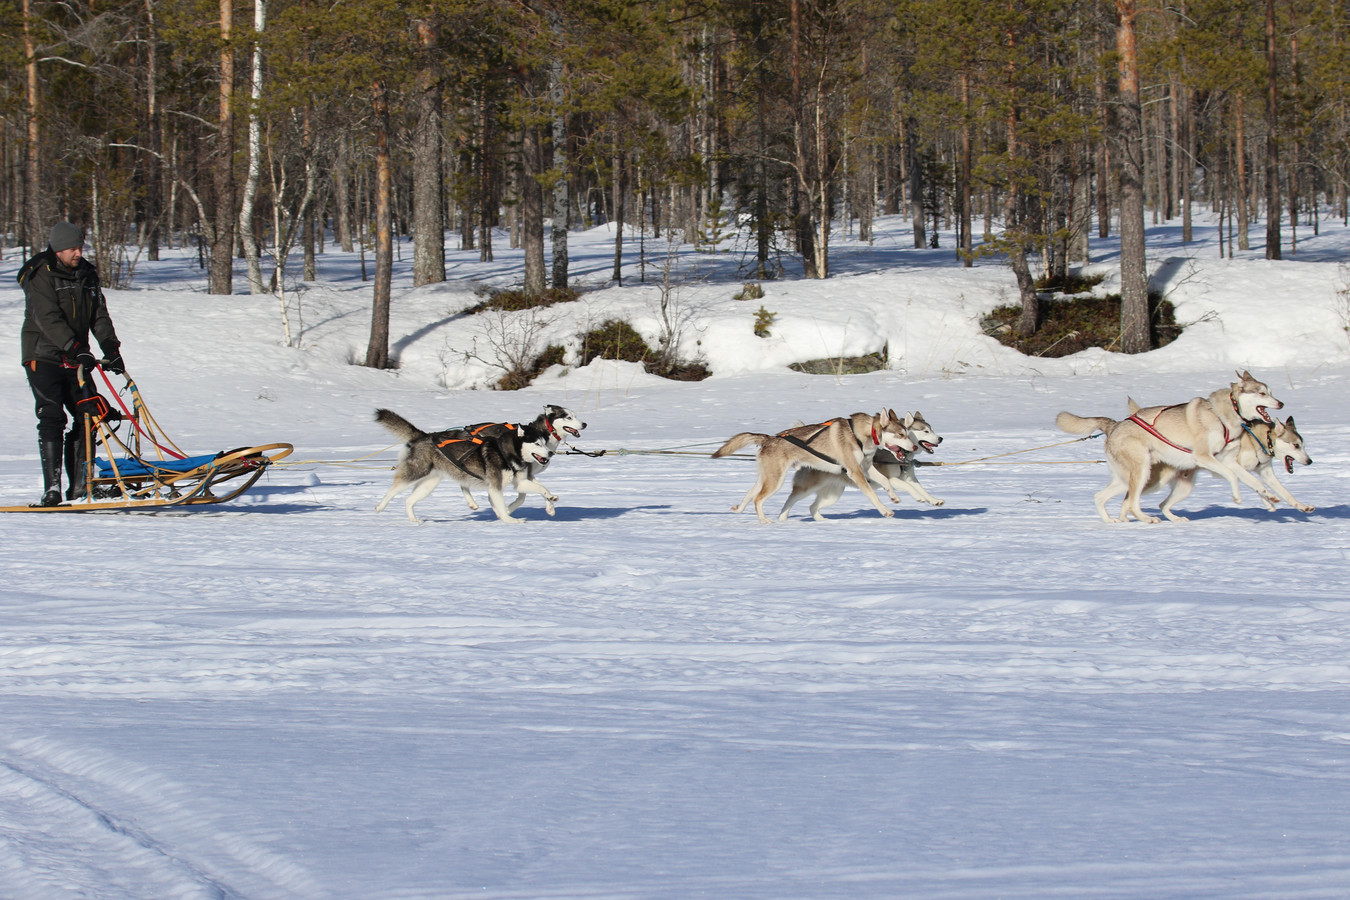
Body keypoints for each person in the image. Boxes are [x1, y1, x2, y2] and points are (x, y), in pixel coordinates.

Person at [18, 221, 125, 506]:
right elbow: (46, 317)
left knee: (88, 416)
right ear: (58, 249)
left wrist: (110, 347)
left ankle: (81, 487)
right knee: (52, 417)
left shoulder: (86, 274)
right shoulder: (40, 274)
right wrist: (74, 347)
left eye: (80, 247)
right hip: (43, 356)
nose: (78, 253)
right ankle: (52, 488)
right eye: (72, 249)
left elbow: (99, 314)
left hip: (76, 358)